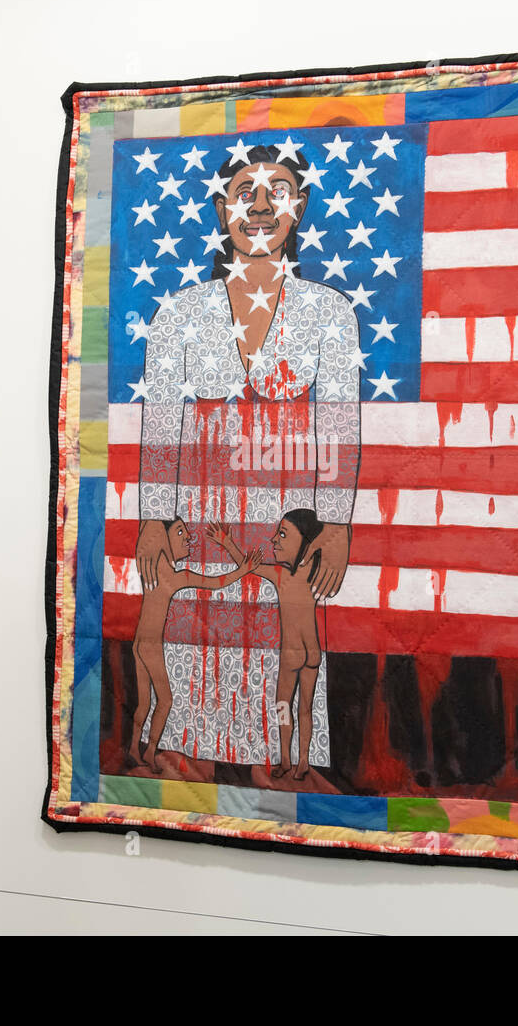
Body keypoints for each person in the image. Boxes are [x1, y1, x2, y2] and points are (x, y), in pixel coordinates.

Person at [132, 143, 361, 772]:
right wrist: (156, 514)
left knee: (285, 638)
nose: (260, 208)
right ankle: (188, 745)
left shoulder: (330, 313)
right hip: (204, 508)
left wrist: (336, 525)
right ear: (220, 207)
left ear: (301, 207)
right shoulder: (179, 312)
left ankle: (279, 755)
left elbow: (339, 422)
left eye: (278, 192)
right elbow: (162, 423)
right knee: (196, 626)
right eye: (245, 194)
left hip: (289, 509)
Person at [128, 518, 261, 773]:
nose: (188, 537)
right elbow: (214, 582)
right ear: (162, 538)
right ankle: (150, 752)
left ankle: (135, 748)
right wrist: (243, 570)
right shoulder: (172, 576)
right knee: (164, 700)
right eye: (180, 532)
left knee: (144, 702)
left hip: (139, 644)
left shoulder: (151, 567)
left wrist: (153, 528)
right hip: (151, 646)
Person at [211, 511, 323, 780]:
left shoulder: (284, 574)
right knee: (304, 708)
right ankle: (302, 761)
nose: (274, 540)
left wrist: (227, 543)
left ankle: (286, 759)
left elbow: (246, 564)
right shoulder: (313, 570)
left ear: (304, 542)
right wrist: (227, 543)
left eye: (282, 534)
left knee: (283, 704)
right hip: (313, 651)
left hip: (293, 653)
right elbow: (250, 564)